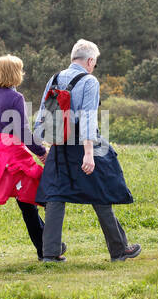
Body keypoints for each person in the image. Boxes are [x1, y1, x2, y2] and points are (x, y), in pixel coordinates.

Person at [35, 39, 142, 263]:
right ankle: (119, 249)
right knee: (100, 191)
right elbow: (87, 119)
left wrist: (45, 143)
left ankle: (50, 254)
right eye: (95, 62)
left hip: (58, 145)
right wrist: (89, 153)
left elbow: (42, 116)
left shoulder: (54, 78)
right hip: (82, 145)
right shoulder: (89, 81)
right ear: (90, 60)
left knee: (56, 195)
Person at [0, 54, 61, 265]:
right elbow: (21, 131)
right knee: (27, 203)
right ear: (14, 73)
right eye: (20, 70)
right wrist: (41, 151)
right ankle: (45, 250)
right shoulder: (16, 98)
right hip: (11, 158)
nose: (22, 74)